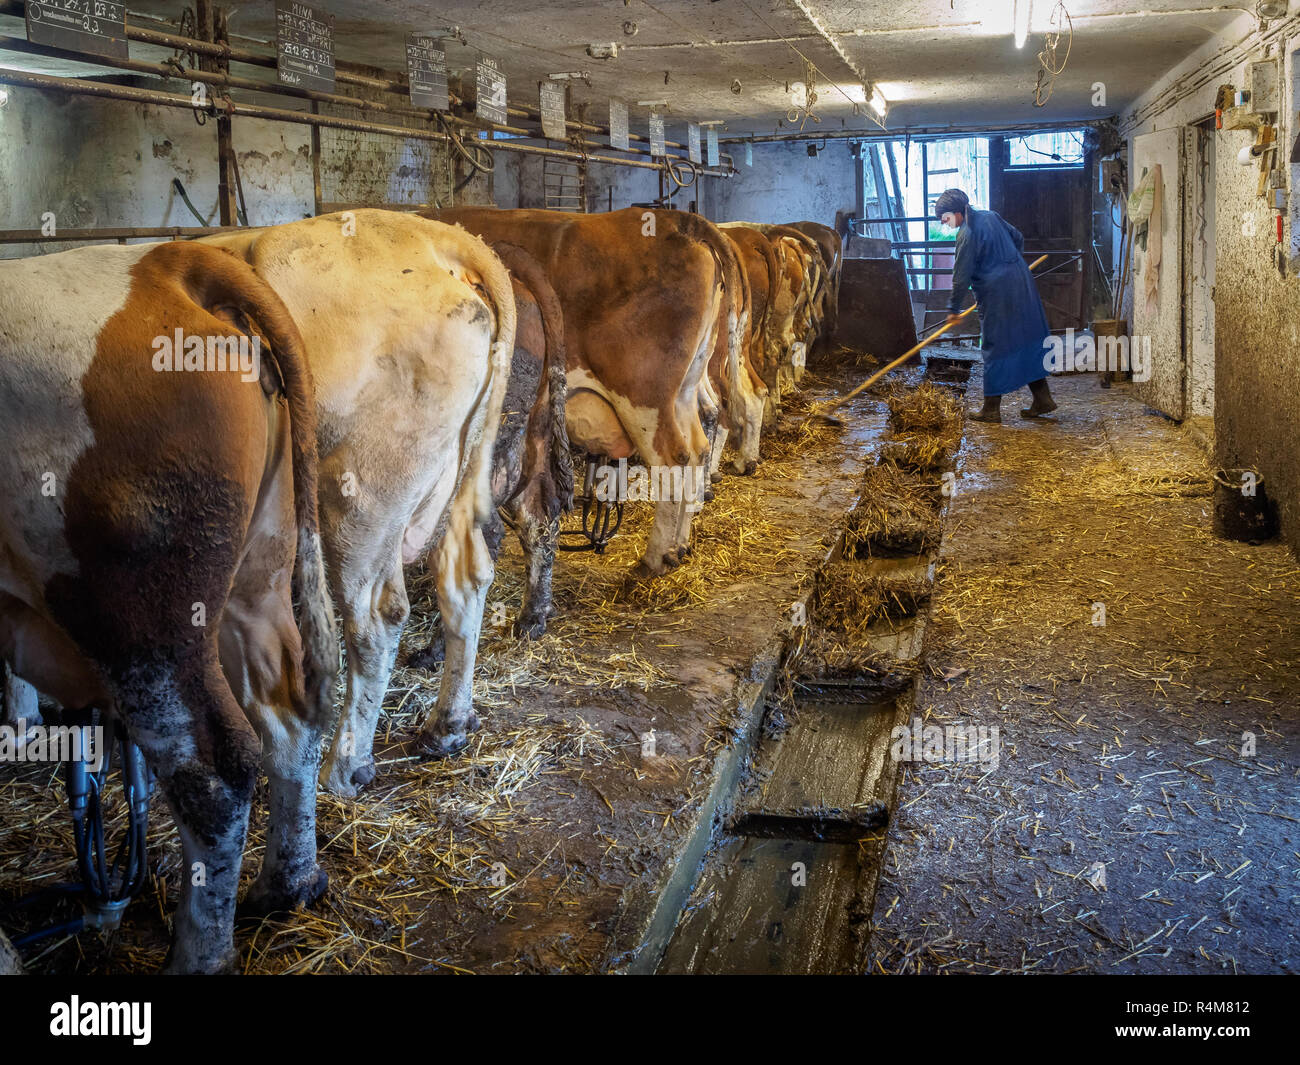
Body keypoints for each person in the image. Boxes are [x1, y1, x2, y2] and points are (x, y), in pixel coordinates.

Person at [937, 188, 1056, 423]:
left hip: (997, 293)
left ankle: (991, 409)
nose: (945, 222)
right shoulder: (991, 216)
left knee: (995, 344)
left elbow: (961, 276)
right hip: (1021, 282)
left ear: (959, 212)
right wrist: (1010, 265)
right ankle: (1043, 398)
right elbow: (1018, 237)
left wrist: (954, 308)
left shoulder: (966, 234)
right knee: (1027, 337)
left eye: (946, 217)